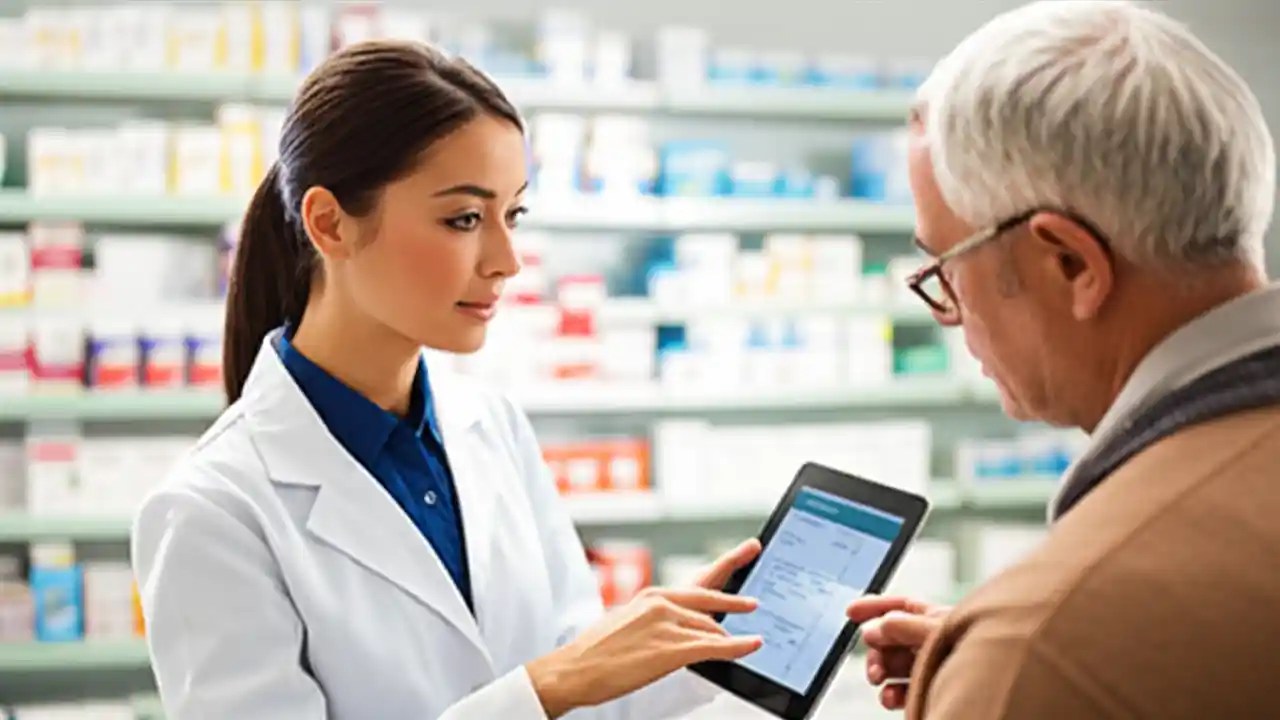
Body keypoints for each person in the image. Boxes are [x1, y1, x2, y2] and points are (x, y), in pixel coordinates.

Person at [129, 41, 800, 719]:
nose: (507, 260)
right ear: (330, 224)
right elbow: (555, 683)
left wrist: (692, 650)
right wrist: (547, 687)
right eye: (465, 219)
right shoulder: (210, 512)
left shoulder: (490, 424)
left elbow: (578, 684)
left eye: (513, 216)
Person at [846, 1, 1280, 718]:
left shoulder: (1044, 646)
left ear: (1071, 264)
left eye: (945, 270)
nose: (951, 314)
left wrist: (1018, 672)